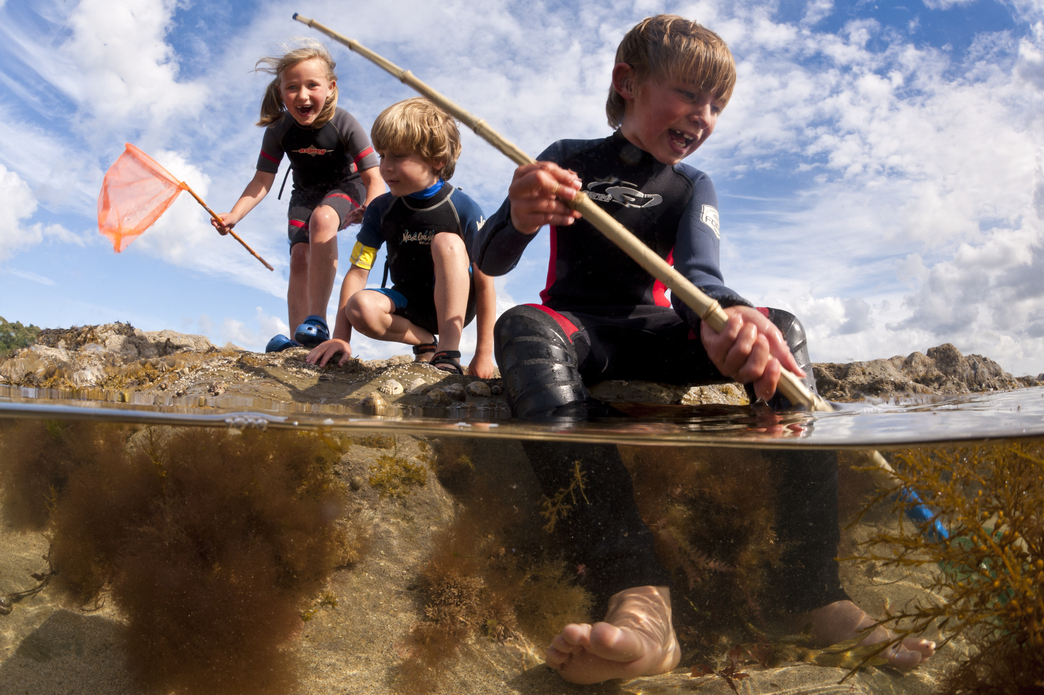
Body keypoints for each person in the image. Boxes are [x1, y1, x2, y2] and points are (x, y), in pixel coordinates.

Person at [470, 15, 936, 684]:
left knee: (780, 326)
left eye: (717, 104)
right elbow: (489, 257)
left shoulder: (693, 187)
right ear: (627, 83)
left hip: (660, 332)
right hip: (579, 330)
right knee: (522, 323)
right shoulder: (568, 156)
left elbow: (700, 280)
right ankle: (638, 592)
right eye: (690, 94)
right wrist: (517, 215)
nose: (704, 116)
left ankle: (814, 590)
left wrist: (733, 320)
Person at [212, 41, 385, 353]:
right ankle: (299, 342)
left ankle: (317, 320)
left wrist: (371, 210)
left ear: (330, 88)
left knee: (323, 219)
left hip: (348, 185)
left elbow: (375, 178)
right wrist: (233, 215)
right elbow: (262, 180)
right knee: (299, 257)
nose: (302, 95)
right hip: (305, 193)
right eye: (292, 87)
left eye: (312, 85)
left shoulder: (344, 122)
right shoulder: (279, 129)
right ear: (280, 92)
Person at [305, 97, 495, 378]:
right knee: (359, 306)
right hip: (406, 305)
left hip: (457, 308)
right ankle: (423, 341)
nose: (385, 167)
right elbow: (358, 272)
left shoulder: (463, 208)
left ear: (437, 160)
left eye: (398, 156)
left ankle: (447, 351)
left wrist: (484, 353)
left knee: (447, 242)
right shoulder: (380, 209)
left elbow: (485, 281)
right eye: (382, 155)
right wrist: (341, 337)